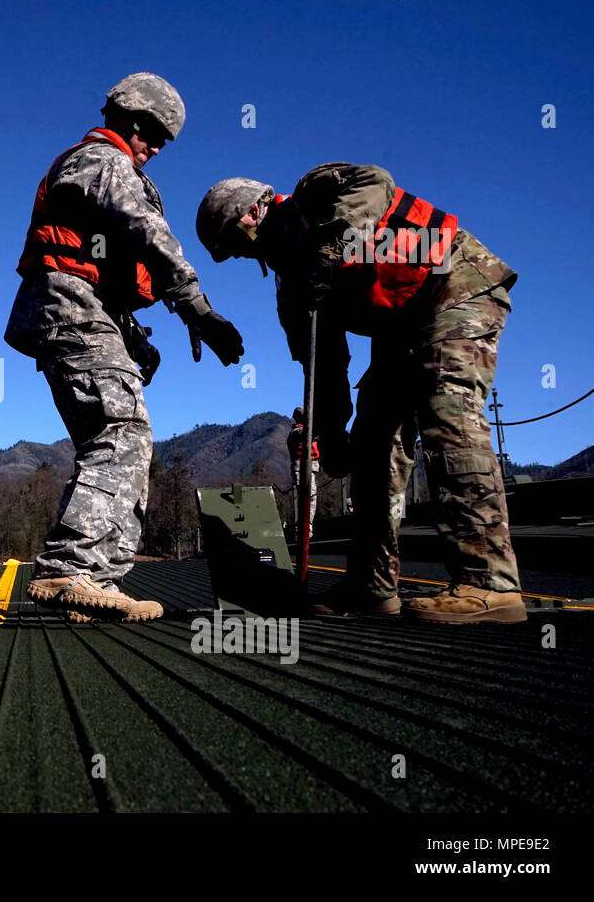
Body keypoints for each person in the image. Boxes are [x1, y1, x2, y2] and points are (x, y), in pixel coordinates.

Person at [196, 164, 524, 623]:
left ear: (253, 212)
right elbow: (323, 364)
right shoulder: (294, 288)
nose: (243, 257)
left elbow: (376, 183)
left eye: (234, 243)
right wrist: (330, 434)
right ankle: (371, 585)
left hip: (454, 283)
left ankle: (488, 582)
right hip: (402, 326)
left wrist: (329, 250)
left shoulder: (315, 194)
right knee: (373, 445)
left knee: (447, 419)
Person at [5, 72, 245, 622]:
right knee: (122, 433)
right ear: (130, 120)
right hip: (72, 312)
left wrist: (137, 338)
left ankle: (96, 583)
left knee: (124, 436)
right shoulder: (102, 161)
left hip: (83, 312)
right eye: (152, 132)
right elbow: (144, 234)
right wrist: (197, 308)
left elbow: (104, 267)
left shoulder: (105, 169)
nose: (156, 148)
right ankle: (72, 568)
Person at [286, 406, 319, 541]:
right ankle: (304, 527)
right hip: (301, 467)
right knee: (308, 496)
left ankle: (306, 526)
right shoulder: (296, 432)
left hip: (310, 466)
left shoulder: (306, 431)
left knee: (311, 497)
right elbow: (307, 433)